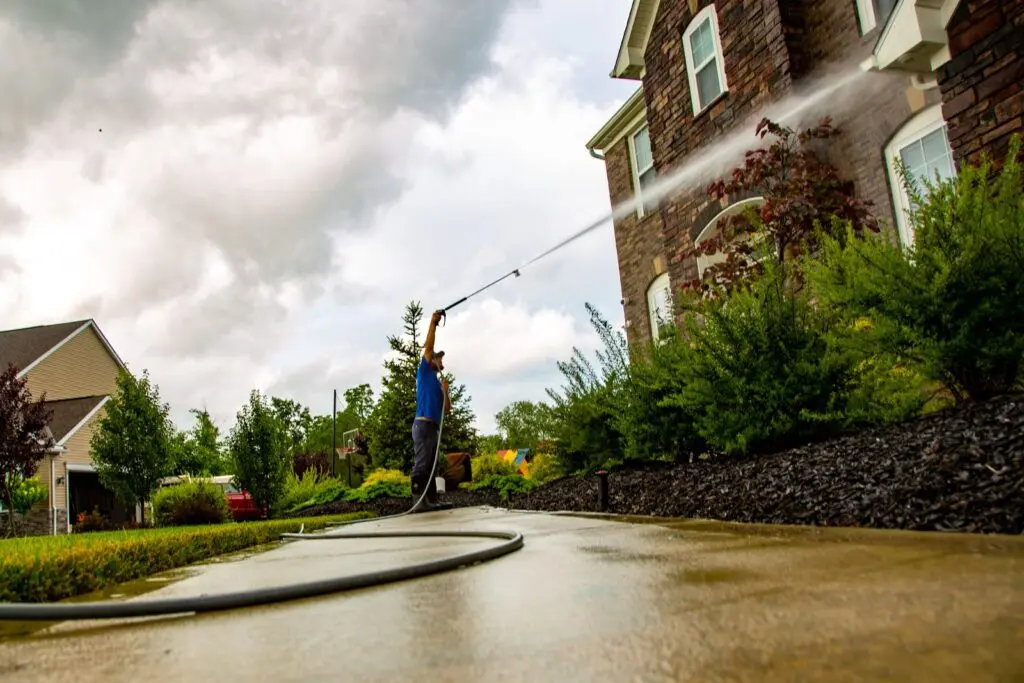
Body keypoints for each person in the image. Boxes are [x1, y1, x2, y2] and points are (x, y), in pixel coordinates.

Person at [411, 309, 453, 512]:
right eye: (439, 358)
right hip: (423, 424)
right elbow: (428, 347)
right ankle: (418, 502)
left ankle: (432, 500)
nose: (442, 361)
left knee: (433, 465)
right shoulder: (425, 371)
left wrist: (446, 392)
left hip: (434, 426)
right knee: (422, 463)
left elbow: (447, 410)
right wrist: (433, 324)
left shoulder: (437, 384)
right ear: (433, 360)